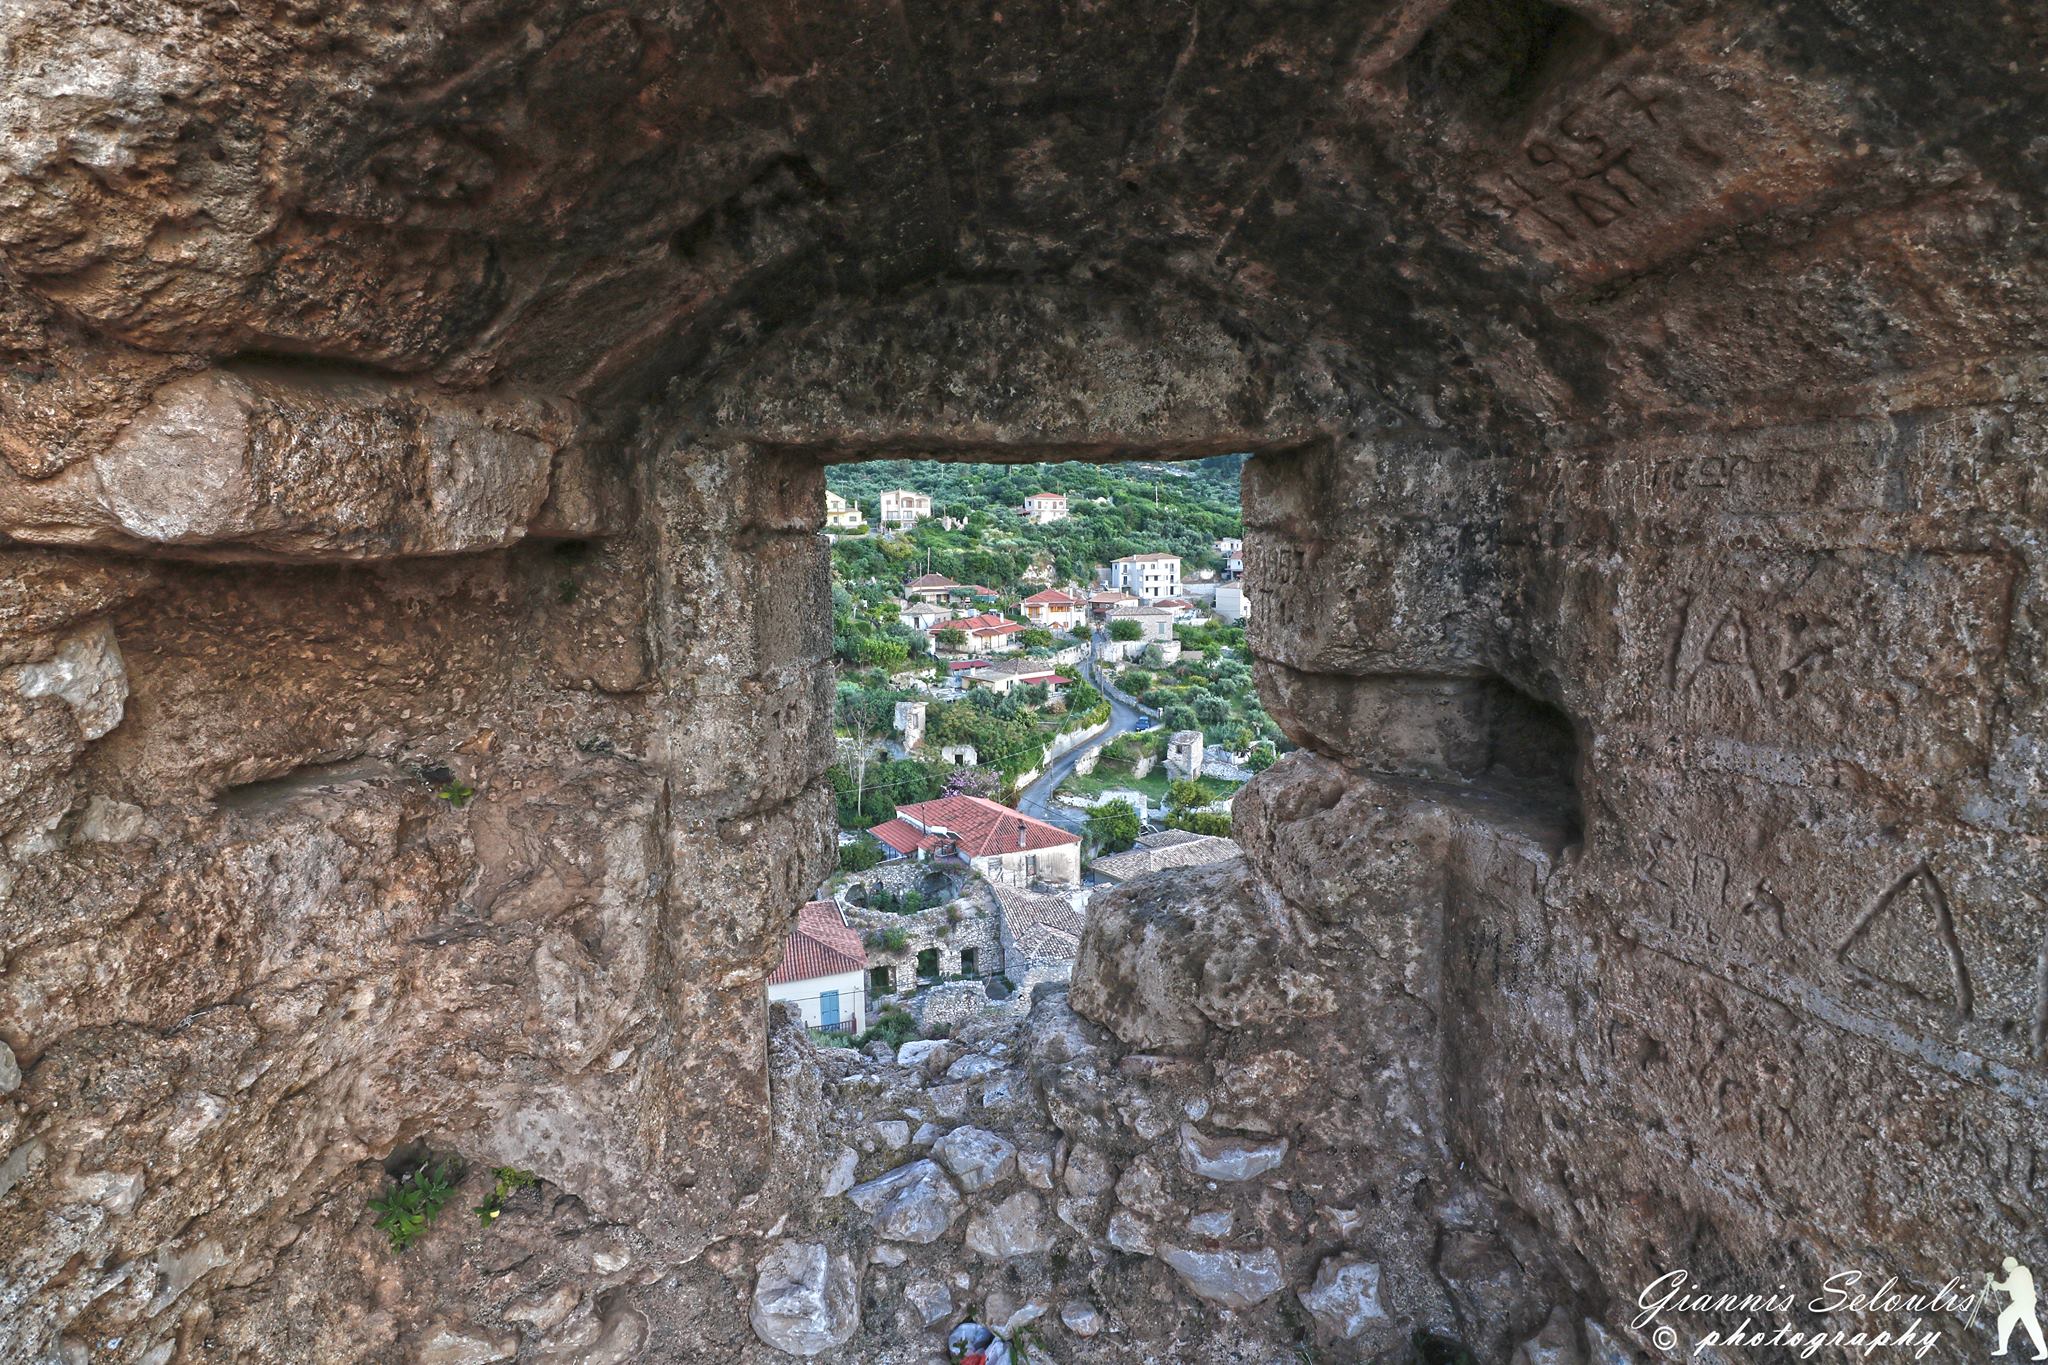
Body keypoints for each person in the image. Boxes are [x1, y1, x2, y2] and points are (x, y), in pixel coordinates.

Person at [1989, 1257, 2048, 1359]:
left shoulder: (2017, 1273)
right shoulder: (2022, 1271)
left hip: (2023, 1303)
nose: (2005, 1268)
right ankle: (2003, 1348)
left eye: (2005, 1266)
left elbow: (2009, 1286)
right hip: (2021, 1303)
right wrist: (1997, 1285)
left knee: (2032, 1326)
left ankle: (2043, 1353)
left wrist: (1997, 1285)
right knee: (2003, 1319)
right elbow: (2010, 1284)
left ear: (2008, 1266)